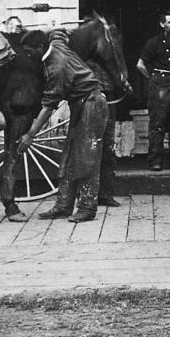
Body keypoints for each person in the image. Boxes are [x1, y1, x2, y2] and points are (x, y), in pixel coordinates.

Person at [18, 30, 109, 223]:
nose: (28, 55)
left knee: (87, 157)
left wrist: (31, 135)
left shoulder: (56, 68)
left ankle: (87, 207)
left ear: (40, 48)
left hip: (92, 104)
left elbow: (49, 106)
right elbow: (58, 35)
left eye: (29, 51)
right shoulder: (56, 45)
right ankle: (63, 206)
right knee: (69, 155)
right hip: (81, 104)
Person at [137, 10, 170, 171]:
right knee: (157, 123)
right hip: (158, 82)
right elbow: (140, 65)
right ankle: (155, 160)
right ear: (162, 24)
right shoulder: (153, 43)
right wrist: (153, 79)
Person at [86, 60, 121, 207]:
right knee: (89, 148)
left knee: (108, 147)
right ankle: (87, 196)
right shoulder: (83, 51)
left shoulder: (109, 53)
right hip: (90, 97)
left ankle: (105, 194)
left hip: (108, 95)